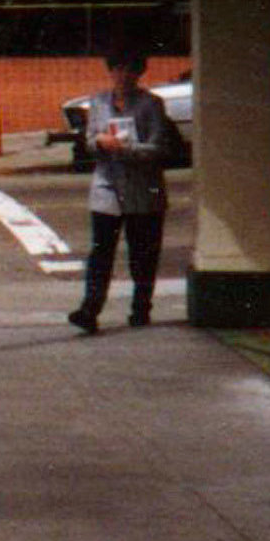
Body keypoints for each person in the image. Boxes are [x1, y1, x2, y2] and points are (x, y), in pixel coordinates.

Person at [71, 49, 178, 333]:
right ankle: (89, 309)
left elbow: (159, 147)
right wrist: (99, 143)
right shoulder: (98, 102)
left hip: (144, 190)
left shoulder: (151, 105)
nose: (122, 76)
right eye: (117, 69)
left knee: (142, 255)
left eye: (129, 70)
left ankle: (141, 308)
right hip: (107, 188)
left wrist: (126, 148)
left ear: (139, 73)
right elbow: (89, 139)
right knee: (100, 252)